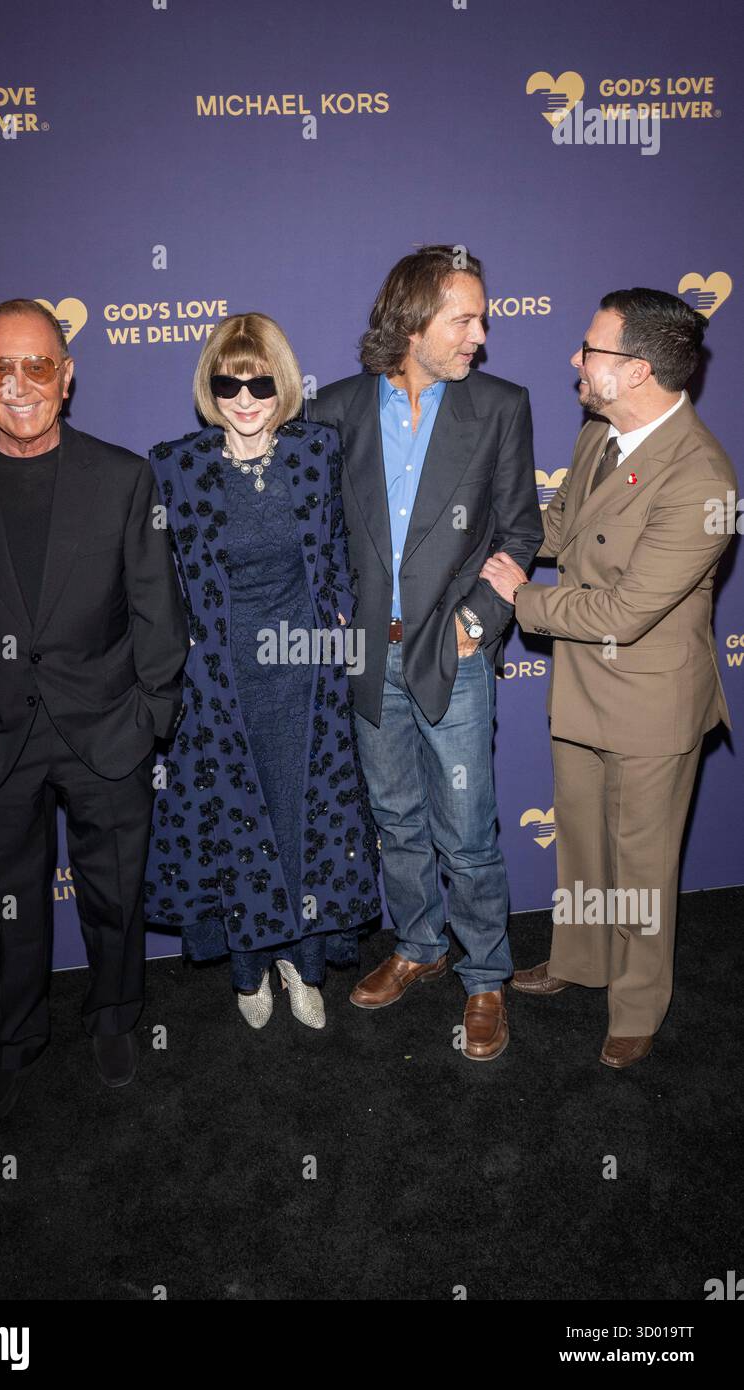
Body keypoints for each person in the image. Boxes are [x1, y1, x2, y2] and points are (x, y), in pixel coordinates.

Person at [0, 298, 189, 1127]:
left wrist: (148, 717)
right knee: (7, 902)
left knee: (115, 891)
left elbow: (157, 614)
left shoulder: (124, 476)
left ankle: (113, 1016)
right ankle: (13, 1041)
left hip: (106, 731)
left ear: (67, 375)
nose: (18, 384)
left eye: (36, 365)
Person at [481, 287, 736, 1067]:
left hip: (651, 705)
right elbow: (561, 527)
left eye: (589, 350)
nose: (575, 361)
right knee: (584, 847)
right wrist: (492, 532)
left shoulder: (704, 481)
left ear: (637, 370)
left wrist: (518, 596)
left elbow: (625, 610)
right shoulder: (602, 432)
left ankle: (636, 1006)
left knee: (642, 869)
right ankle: (580, 963)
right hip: (584, 690)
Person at [307, 246, 543, 1060]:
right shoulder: (335, 410)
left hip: (455, 655)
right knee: (396, 819)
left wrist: (475, 626)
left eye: (483, 316)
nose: (481, 333)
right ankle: (419, 944)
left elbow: (520, 530)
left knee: (468, 831)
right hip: (371, 655)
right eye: (464, 318)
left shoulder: (500, 405)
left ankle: (486, 979)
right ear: (412, 321)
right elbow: (312, 537)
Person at [145, 312, 381, 1029]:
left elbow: (340, 542)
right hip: (221, 673)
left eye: (260, 384)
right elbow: (156, 579)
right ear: (208, 387)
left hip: (305, 672)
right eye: (228, 384)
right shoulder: (176, 466)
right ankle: (250, 969)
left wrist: (340, 610)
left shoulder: (318, 452)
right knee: (235, 820)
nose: (245, 401)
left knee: (299, 814)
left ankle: (302, 965)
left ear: (283, 385)